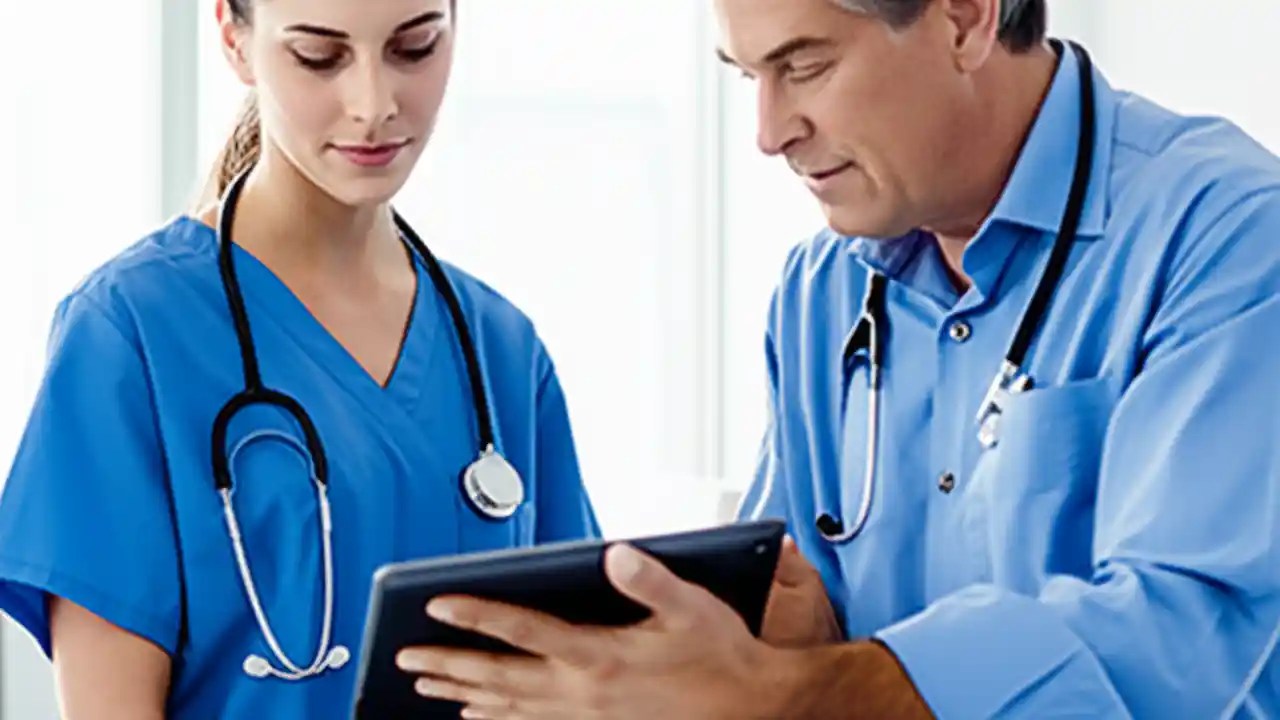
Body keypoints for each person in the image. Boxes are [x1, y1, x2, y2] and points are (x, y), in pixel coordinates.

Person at [397, 0, 1280, 717]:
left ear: (965, 17)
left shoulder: (1226, 236)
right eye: (748, 77)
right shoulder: (822, 291)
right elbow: (794, 618)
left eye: (805, 66)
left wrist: (788, 693)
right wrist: (764, 644)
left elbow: (1179, 637)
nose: (769, 131)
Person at [0, 0, 600, 717]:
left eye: (414, 48)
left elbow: (579, 672)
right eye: (320, 57)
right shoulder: (130, 332)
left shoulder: (501, 350)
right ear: (234, 39)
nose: (374, 105)